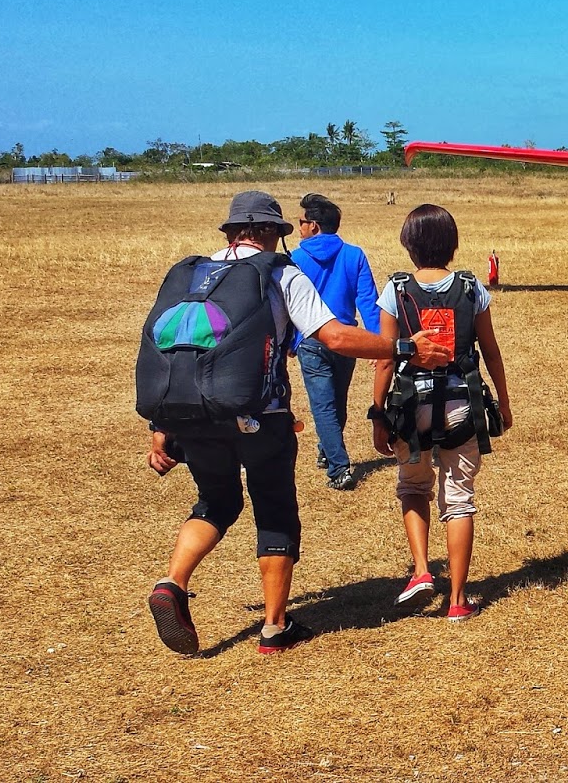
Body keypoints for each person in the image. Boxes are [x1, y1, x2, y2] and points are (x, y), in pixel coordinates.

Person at [146, 191, 452, 656]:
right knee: (275, 512)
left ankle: (172, 582)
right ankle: (274, 627)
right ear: (273, 233)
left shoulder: (193, 275)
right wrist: (406, 348)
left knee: (216, 501)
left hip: (192, 416)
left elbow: (173, 350)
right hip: (260, 419)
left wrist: (162, 426)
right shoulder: (281, 274)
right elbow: (335, 337)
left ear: (230, 232)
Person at [370, 204, 512, 622]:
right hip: (461, 403)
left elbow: (384, 360)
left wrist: (378, 414)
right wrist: (504, 403)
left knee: (413, 486)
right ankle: (458, 599)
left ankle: (420, 571)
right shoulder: (471, 288)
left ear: (409, 244)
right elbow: (490, 351)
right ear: (452, 243)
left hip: (410, 404)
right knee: (459, 497)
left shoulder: (395, 290)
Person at [291, 193, 382, 491]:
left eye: (301, 222)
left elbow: (286, 305)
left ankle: (338, 468)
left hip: (311, 340)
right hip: (347, 340)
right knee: (337, 401)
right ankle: (328, 451)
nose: (299, 227)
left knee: (323, 405)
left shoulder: (295, 259)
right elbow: (368, 302)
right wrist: (379, 343)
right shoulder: (354, 255)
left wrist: (289, 341)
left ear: (314, 226)